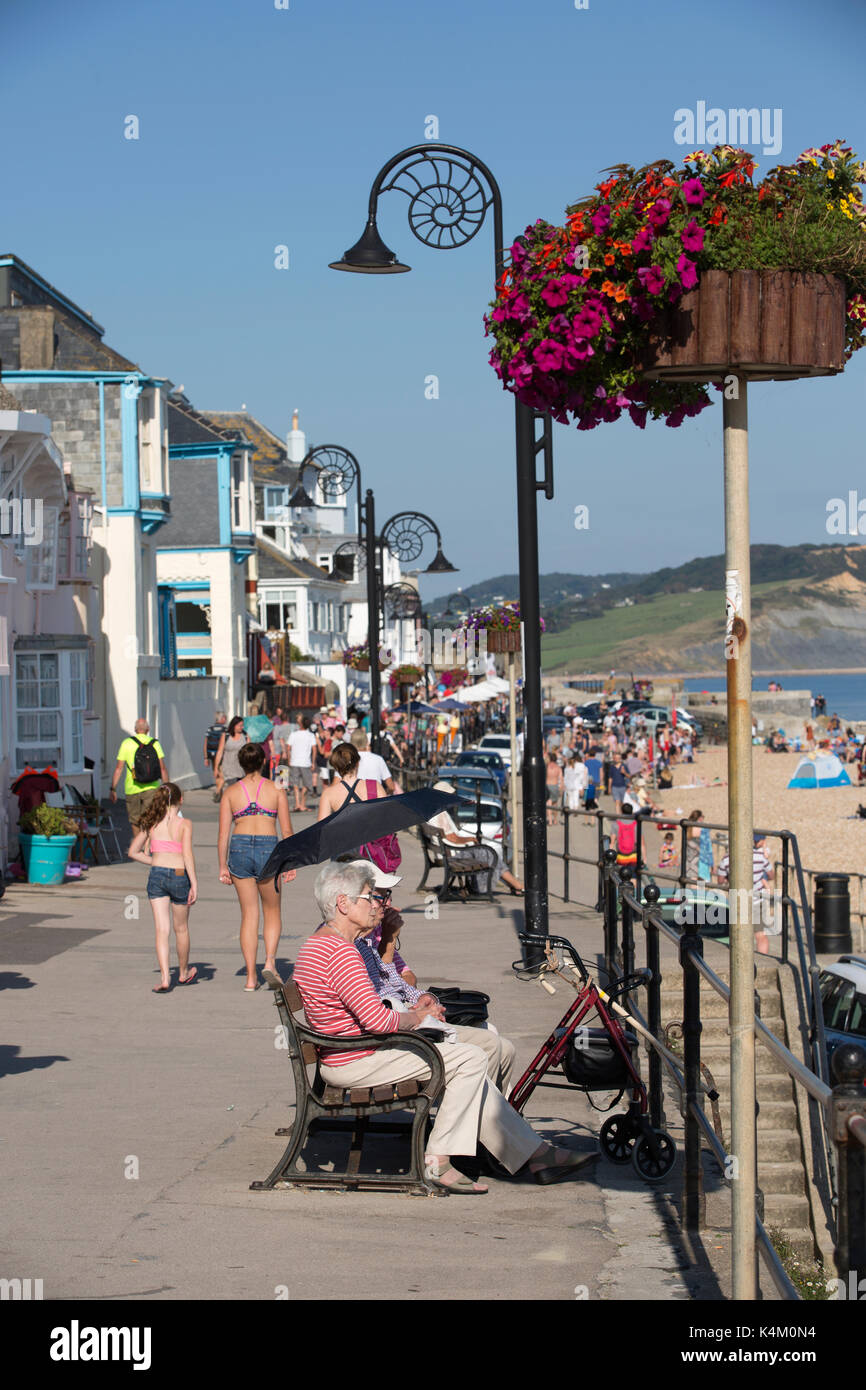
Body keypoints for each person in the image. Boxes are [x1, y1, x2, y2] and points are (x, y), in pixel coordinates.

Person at [292, 861, 598, 1193]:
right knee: (469, 1059)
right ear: (343, 903)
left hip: (354, 1053)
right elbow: (378, 1021)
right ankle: (440, 1158)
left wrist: (415, 1011)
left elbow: (377, 1010)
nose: (376, 903)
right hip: (356, 1060)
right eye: (369, 897)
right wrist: (418, 1018)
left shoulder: (325, 945)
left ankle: (523, 1151)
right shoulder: (341, 953)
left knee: (482, 1051)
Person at [350, 862, 516, 1092]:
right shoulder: (349, 948)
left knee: (501, 1046)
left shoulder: (363, 940)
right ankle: (476, 1120)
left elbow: (404, 979)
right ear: (348, 902)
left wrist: (426, 1000)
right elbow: (380, 1008)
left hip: (394, 1027)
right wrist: (418, 1015)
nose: (388, 905)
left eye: (387, 897)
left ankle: (494, 1119)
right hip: (376, 1046)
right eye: (379, 897)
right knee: (487, 1046)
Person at [218, 742, 295, 990]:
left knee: (249, 914)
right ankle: (270, 962)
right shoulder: (276, 789)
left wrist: (222, 866)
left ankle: (251, 977)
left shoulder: (230, 792)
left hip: (239, 847)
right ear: (263, 762)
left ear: (241, 764)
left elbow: (222, 835)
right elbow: (286, 829)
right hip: (269, 847)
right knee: (272, 911)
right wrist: (290, 862)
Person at [128, 782, 197, 993]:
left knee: (161, 929)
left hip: (156, 875)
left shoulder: (152, 823)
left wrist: (155, 861)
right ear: (180, 800)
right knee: (181, 928)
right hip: (178, 874)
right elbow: (187, 855)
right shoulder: (184, 824)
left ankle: (166, 977)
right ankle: (183, 972)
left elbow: (133, 852)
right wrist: (193, 882)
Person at [429, 781, 524, 894]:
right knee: (489, 854)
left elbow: (449, 836)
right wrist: (469, 839)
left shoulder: (434, 811)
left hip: (445, 852)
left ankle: (514, 885)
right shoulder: (439, 815)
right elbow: (451, 838)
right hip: (453, 854)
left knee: (489, 854)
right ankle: (510, 885)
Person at [715, 833, 774, 955]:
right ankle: (763, 959)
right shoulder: (759, 856)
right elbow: (771, 875)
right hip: (758, 899)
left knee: (740, 935)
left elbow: (720, 880)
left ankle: (741, 960)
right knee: (760, 935)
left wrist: (728, 878)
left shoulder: (726, 859)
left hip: (739, 900)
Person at [110, 718, 168, 832]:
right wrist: (167, 788)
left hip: (132, 787)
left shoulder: (126, 743)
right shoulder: (155, 744)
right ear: (148, 729)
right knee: (150, 818)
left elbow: (119, 768)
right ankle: (147, 844)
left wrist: (113, 788)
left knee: (135, 820)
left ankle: (139, 845)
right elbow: (162, 768)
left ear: (135, 729)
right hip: (152, 787)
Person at [287, 715, 317, 813]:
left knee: (295, 784)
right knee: (307, 784)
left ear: (300, 724)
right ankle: (303, 804)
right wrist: (313, 762)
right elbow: (314, 749)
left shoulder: (293, 734)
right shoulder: (311, 735)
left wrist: (289, 759)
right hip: (305, 762)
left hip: (294, 761)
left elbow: (288, 748)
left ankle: (297, 804)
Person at [214, 716, 246, 794]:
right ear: (234, 725)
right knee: (232, 790)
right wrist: (216, 767)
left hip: (240, 769)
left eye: (242, 725)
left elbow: (249, 753)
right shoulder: (226, 736)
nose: (242, 727)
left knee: (238, 791)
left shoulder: (245, 736)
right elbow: (220, 752)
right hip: (227, 768)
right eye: (240, 725)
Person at [203, 711, 227, 802]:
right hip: (222, 756)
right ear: (221, 719)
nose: (226, 719)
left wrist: (205, 757)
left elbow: (205, 744)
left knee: (217, 775)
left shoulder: (210, 729)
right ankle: (217, 792)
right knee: (224, 776)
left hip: (212, 755)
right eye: (224, 717)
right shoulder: (225, 730)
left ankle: (220, 795)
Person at [545, 751, 564, 826]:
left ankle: (550, 820)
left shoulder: (546, 767)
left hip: (547, 785)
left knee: (548, 803)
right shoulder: (558, 768)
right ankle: (555, 819)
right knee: (555, 804)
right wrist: (561, 789)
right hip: (555, 786)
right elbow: (561, 779)